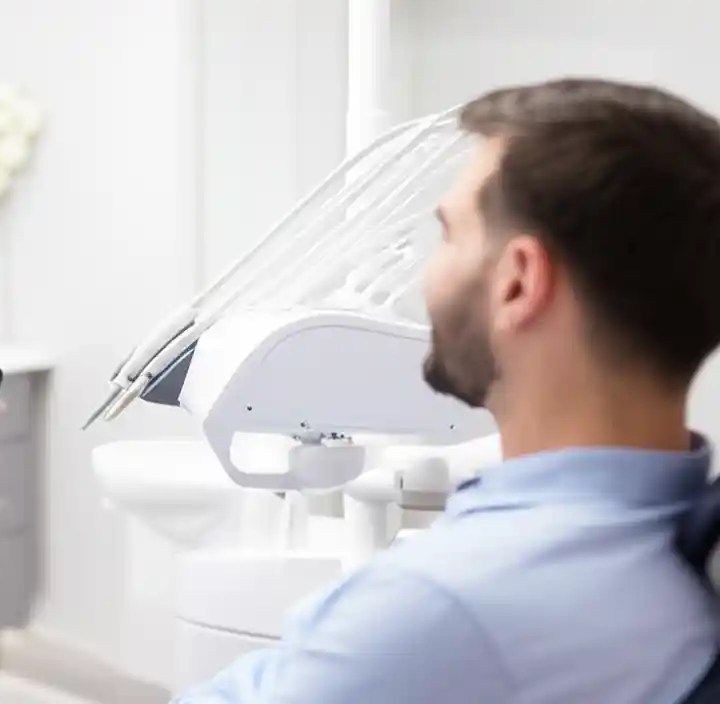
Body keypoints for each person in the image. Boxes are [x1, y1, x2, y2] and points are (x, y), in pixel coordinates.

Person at [175, 78, 720, 702]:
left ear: (519, 281)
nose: (429, 275)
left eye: (449, 235)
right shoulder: (673, 551)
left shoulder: (443, 608)